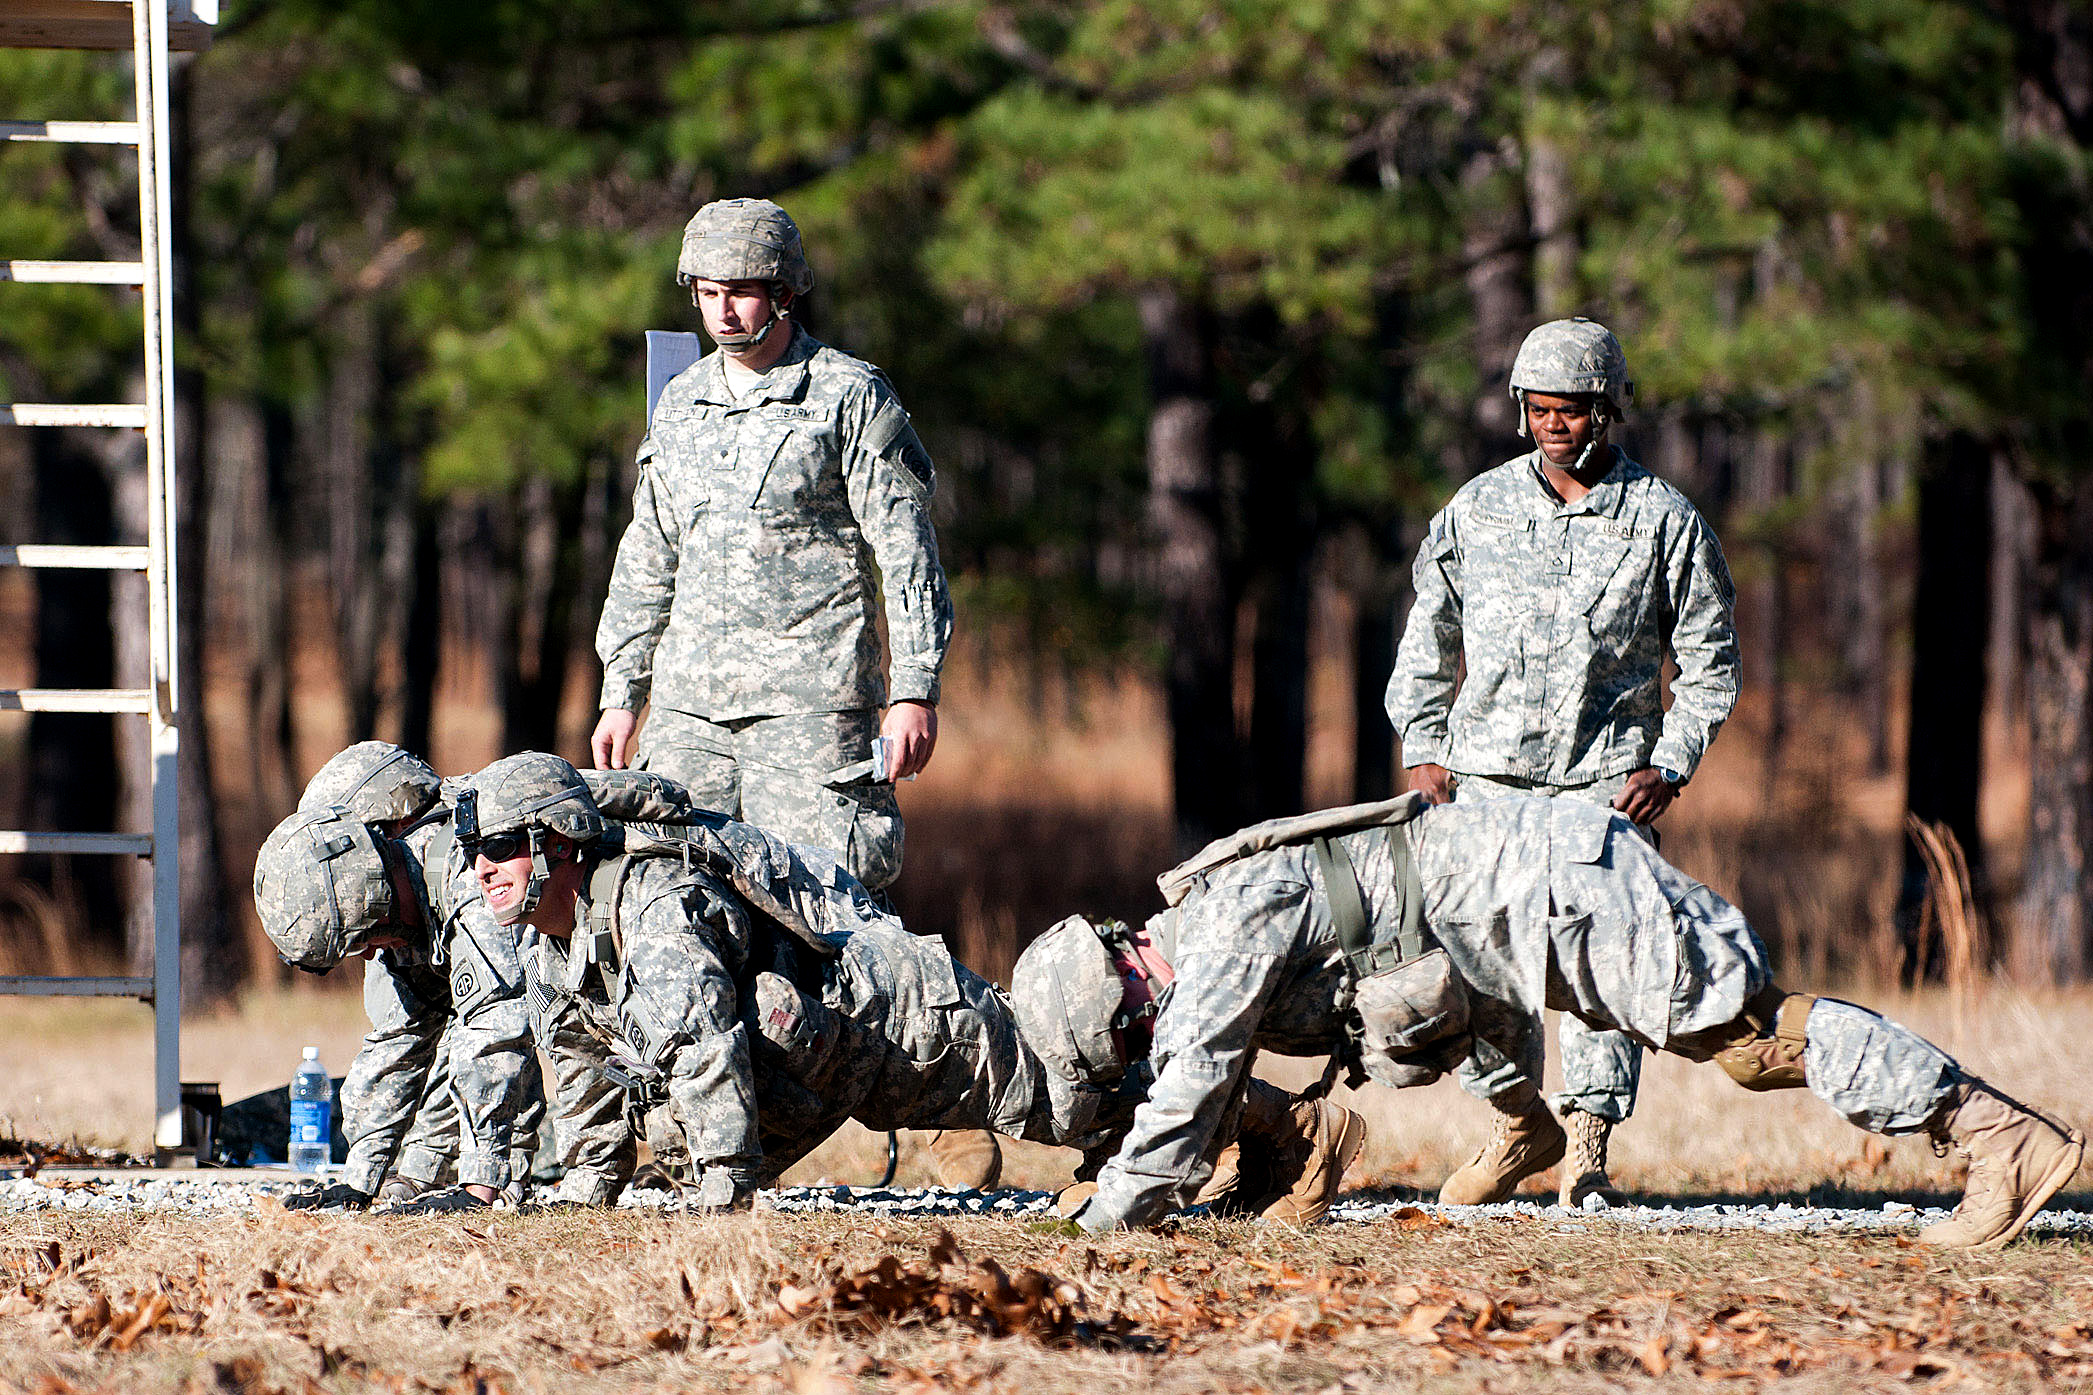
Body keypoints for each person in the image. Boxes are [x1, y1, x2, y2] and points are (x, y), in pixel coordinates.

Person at [1010, 796, 2083, 1248]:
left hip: (1549, 886)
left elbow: (1193, 1077)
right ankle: (1528, 1130)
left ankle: (1999, 1138)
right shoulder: (1204, 930)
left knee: (1754, 1045)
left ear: (1118, 1003)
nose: (1135, 1054)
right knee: (1417, 1006)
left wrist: (1115, 1217)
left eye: (1117, 1047)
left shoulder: (1214, 938)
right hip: (1508, 911)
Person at [462, 753, 1357, 1218]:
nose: (481, 870)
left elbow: (705, 1053)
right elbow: (576, 1064)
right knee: (668, 1144)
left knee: (1054, 1096)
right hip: (811, 1051)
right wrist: (590, 1182)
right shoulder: (549, 934)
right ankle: (1180, 1139)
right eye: (473, 854)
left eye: (499, 847)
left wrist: (722, 1201)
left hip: (892, 1012)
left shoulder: (652, 904)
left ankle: (1287, 1122)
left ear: (558, 842)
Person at [588, 197, 992, 1187]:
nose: (725, 311)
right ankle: (686, 1132)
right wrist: (620, 685)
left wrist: (914, 690)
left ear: (786, 292)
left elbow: (906, 557)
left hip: (810, 706)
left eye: (744, 292)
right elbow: (648, 556)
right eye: (709, 292)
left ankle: (946, 1108)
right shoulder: (678, 404)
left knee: (837, 917)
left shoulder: (850, 397)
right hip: (685, 714)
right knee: (663, 910)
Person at [1384, 317, 1740, 1206]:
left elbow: (1710, 660)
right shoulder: (1476, 509)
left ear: (1606, 410)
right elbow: (1427, 636)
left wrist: (1671, 759)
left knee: (1601, 958)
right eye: (1539, 409)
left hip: (1603, 782)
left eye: (1572, 410)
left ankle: (1585, 1147)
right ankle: (1512, 1124)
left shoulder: (1664, 522)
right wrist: (1424, 745)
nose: (1554, 425)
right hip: (1486, 778)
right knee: (1475, 959)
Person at [254, 752, 543, 1212]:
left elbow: (498, 1034)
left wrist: (479, 1188)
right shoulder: (392, 916)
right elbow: (394, 1042)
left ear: (374, 896)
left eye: (363, 941)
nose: (368, 954)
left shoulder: (467, 876)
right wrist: (359, 1181)